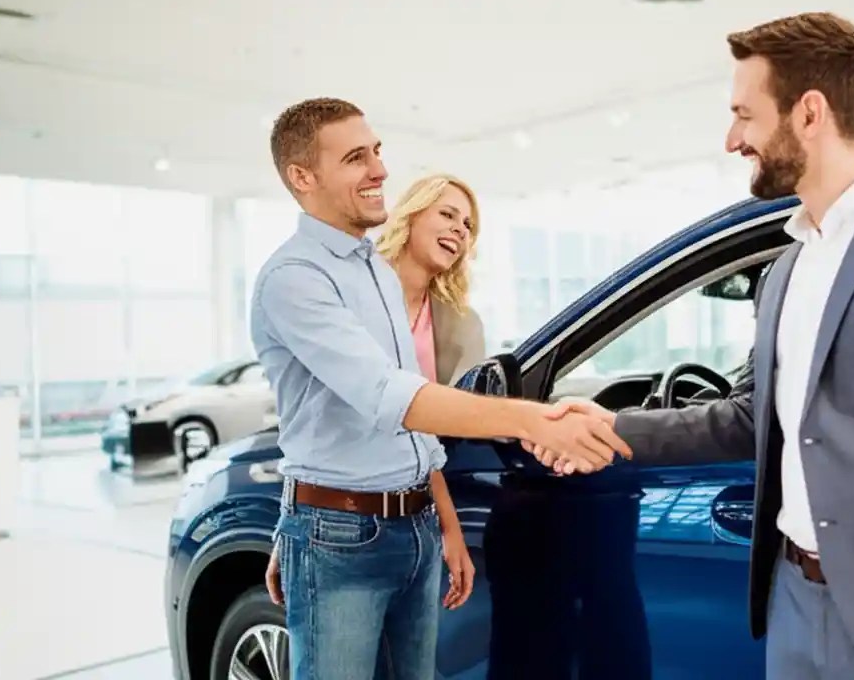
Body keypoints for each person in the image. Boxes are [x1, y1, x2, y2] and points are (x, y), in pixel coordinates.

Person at [535, 13, 854, 680]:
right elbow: (756, 418)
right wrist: (610, 426)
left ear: (809, 113)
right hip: (792, 604)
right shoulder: (787, 265)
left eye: (744, 115)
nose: (733, 139)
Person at [251, 97, 631, 680]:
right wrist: (534, 421)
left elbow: (406, 425)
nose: (380, 170)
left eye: (377, 152)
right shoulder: (295, 278)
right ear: (304, 177)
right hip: (341, 536)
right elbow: (389, 394)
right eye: (357, 157)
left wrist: (441, 524)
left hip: (415, 527)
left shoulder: (371, 270)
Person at [377, 172, 490, 610]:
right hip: (345, 510)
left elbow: (438, 426)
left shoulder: (461, 322)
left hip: (418, 505)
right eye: (447, 214)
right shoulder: (354, 293)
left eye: (467, 226)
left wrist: (447, 526)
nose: (459, 230)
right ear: (411, 214)